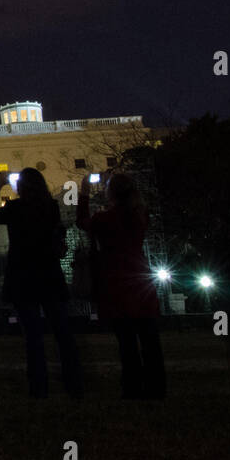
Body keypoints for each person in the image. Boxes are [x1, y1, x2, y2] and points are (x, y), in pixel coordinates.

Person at [0, 168, 83, 399]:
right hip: (48, 273)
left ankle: (39, 387)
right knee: (62, 333)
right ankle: (73, 384)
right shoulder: (51, 207)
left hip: (23, 276)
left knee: (33, 336)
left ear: (21, 187)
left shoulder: (15, 209)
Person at [78, 171, 164, 399]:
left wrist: (84, 193)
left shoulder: (104, 219)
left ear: (110, 193)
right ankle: (157, 387)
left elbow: (82, 222)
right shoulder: (140, 215)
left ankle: (133, 387)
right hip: (140, 276)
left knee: (126, 342)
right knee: (150, 339)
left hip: (115, 280)